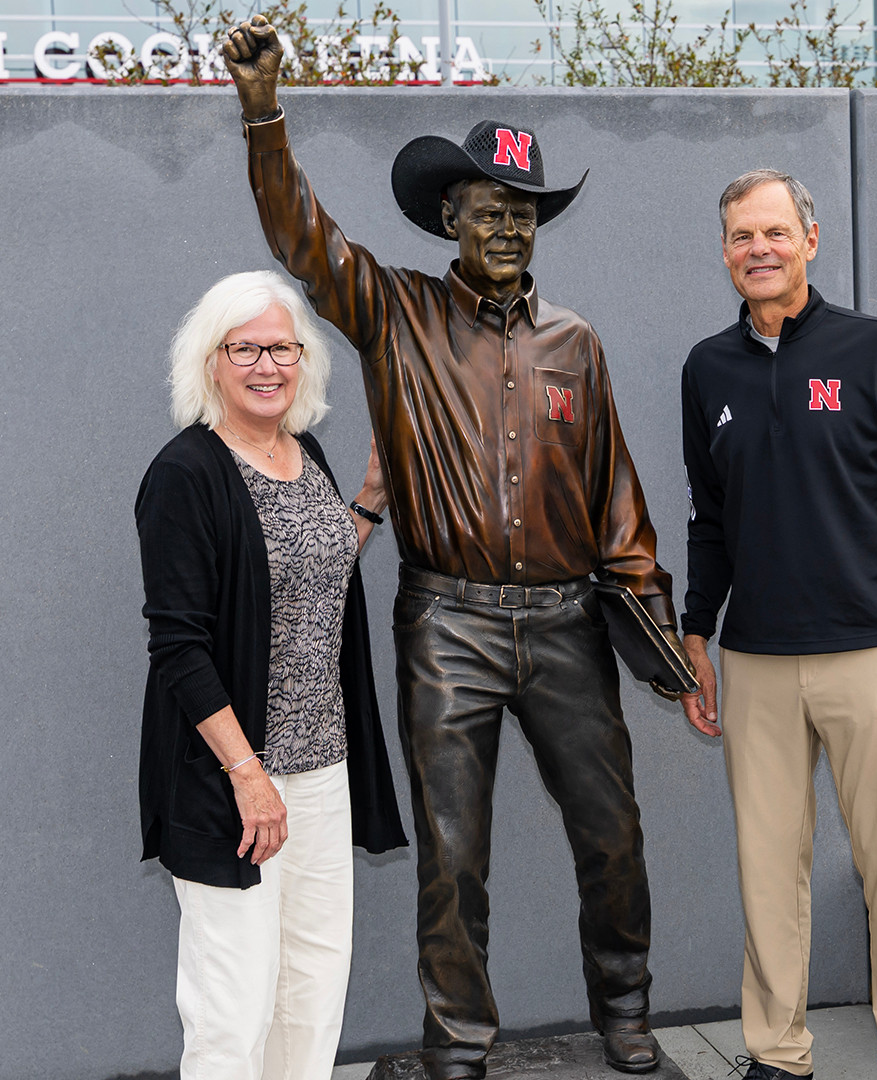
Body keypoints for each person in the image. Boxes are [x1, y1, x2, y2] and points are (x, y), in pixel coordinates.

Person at [217, 17, 681, 1078]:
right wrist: (264, 113)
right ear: (450, 219)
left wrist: (660, 628)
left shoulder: (577, 344)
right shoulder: (398, 313)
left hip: (567, 624)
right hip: (449, 624)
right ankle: (457, 1038)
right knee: (453, 852)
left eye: (523, 212)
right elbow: (304, 240)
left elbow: (617, 497)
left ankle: (624, 1006)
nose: (507, 229)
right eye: (487, 211)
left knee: (612, 834)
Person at [677, 170, 877, 1080]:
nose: (757, 250)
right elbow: (709, 518)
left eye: (773, 231)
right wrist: (697, 637)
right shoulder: (707, 369)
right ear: (723, 253)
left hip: (875, 657)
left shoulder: (876, 348)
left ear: (810, 238)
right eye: (739, 237)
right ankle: (777, 1053)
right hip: (756, 659)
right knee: (768, 870)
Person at [135, 270, 408, 1080]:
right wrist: (249, 776)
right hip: (233, 784)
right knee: (232, 1005)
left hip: (323, 772)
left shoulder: (306, 453)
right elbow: (179, 648)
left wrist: (365, 504)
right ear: (211, 361)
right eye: (245, 347)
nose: (267, 365)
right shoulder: (185, 475)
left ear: (304, 359)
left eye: (281, 347)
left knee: (311, 989)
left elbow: (305, 583)